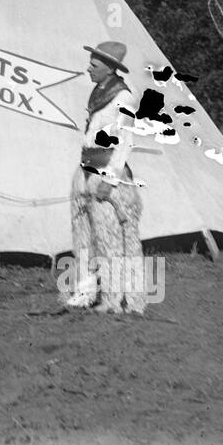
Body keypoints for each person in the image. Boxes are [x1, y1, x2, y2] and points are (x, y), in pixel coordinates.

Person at [63, 41, 145, 314]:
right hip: (86, 168)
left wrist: (109, 182)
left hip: (107, 172)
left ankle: (118, 300)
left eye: (94, 65)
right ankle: (86, 291)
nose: (88, 68)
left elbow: (124, 142)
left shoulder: (123, 98)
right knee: (83, 234)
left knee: (112, 240)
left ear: (109, 69)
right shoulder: (98, 93)